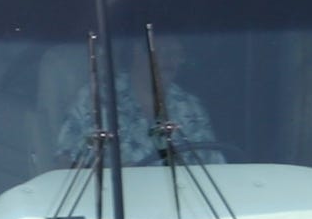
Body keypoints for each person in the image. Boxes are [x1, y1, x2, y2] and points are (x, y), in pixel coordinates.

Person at [55, 34, 217, 166]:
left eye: (176, 54)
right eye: (162, 52)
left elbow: (213, 167)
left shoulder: (190, 107)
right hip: (112, 203)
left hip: (182, 202)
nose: (170, 61)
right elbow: (66, 163)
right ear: (137, 52)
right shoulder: (96, 99)